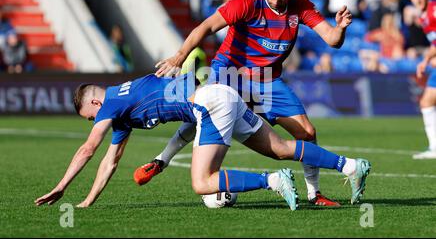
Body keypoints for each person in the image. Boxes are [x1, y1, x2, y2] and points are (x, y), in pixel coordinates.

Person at [140, 0, 354, 207]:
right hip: (230, 74)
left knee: (307, 133)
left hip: (268, 81)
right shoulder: (248, 2)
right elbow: (206, 26)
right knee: (203, 114)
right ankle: (162, 159)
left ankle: (314, 194)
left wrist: (341, 28)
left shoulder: (300, 6)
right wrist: (178, 57)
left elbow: (332, 39)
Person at [34, 73, 371, 209]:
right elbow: (110, 159)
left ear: (94, 104)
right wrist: (88, 201)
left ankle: (271, 182)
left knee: (201, 183)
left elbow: (89, 148)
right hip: (221, 97)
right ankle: (351, 165)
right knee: (282, 148)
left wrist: (62, 185)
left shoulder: (111, 104)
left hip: (210, 103)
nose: (96, 122)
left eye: (91, 118)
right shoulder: (126, 105)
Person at [407, 0, 436, 159]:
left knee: (427, 101)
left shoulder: (433, 10)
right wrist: (426, 60)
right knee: (426, 102)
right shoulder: (423, 16)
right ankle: (434, 147)